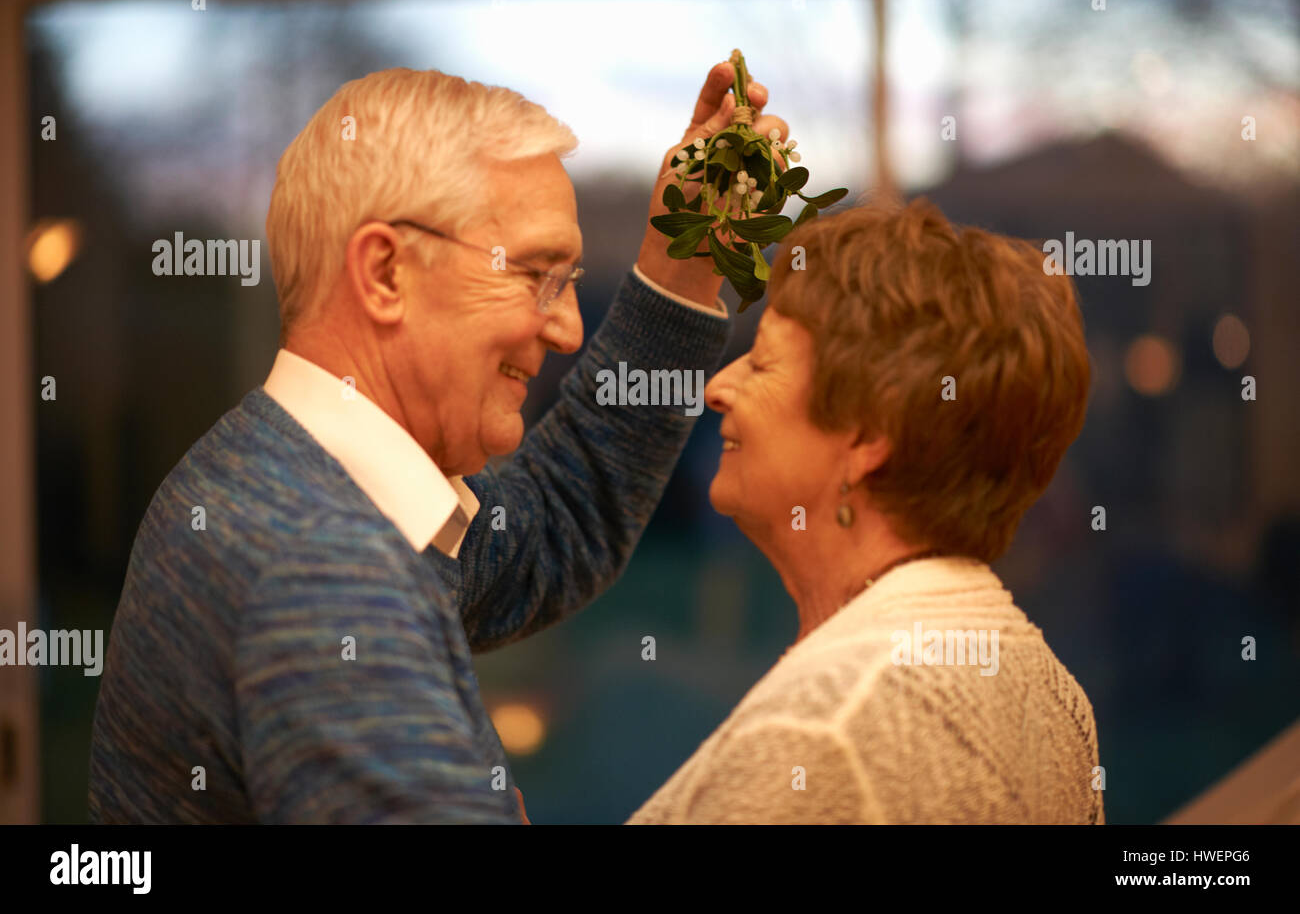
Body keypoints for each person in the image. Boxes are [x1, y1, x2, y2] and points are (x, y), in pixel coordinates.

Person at [88, 61, 788, 823]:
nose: (568, 328)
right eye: (535, 276)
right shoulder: (324, 572)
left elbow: (559, 514)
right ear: (385, 272)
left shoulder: (283, 474)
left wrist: (682, 270)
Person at [628, 197, 1103, 824]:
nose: (718, 388)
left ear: (865, 433)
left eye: (763, 362)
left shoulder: (821, 726)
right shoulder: (1056, 698)